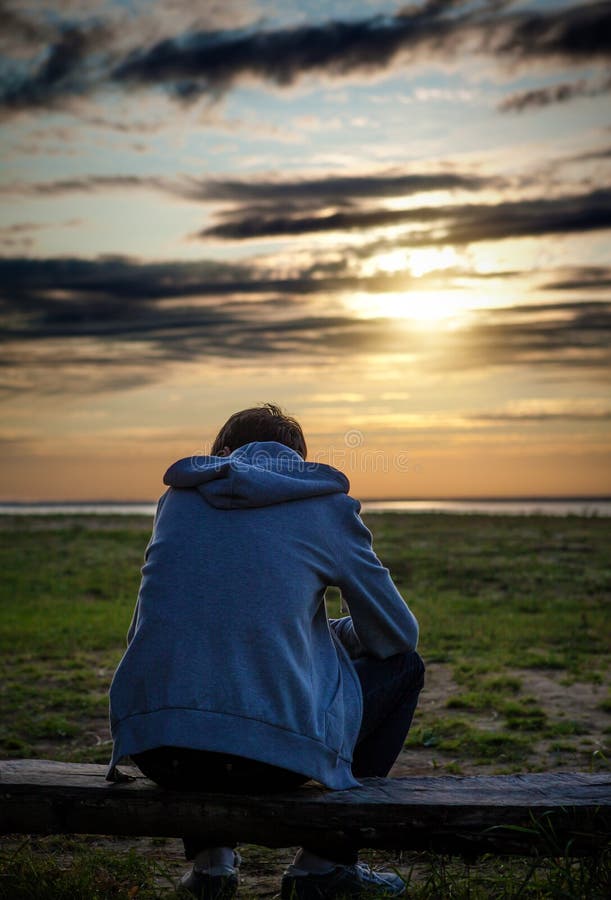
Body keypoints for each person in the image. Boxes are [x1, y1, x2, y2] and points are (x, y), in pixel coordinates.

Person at [107, 403, 424, 899]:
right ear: (298, 464)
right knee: (406, 668)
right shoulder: (323, 505)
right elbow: (396, 637)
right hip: (270, 762)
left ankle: (212, 866)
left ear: (219, 455)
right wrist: (336, 627)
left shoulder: (179, 500)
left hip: (159, 750)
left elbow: (152, 631)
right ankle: (324, 865)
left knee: (196, 671)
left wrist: (318, 634)